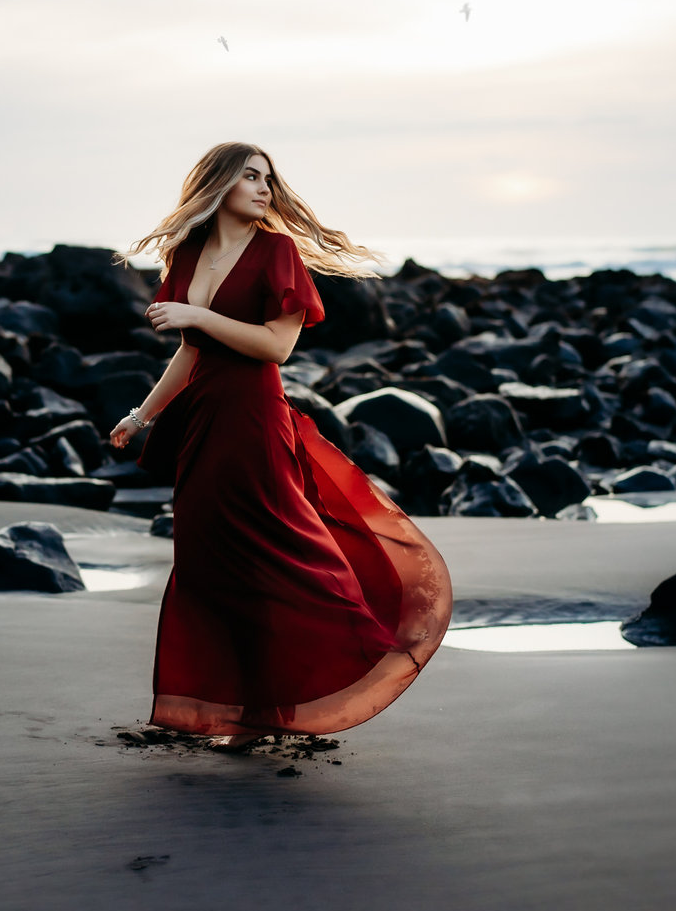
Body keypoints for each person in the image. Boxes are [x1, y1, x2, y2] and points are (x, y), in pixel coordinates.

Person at [109, 142, 452, 748]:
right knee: (206, 562)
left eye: (268, 178)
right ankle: (235, 706)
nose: (264, 188)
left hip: (254, 419)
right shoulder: (188, 254)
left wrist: (198, 317)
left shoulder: (277, 252)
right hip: (203, 422)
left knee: (272, 555)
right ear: (218, 184)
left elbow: (276, 347)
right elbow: (189, 354)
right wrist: (142, 416)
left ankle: (285, 699)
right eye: (250, 176)